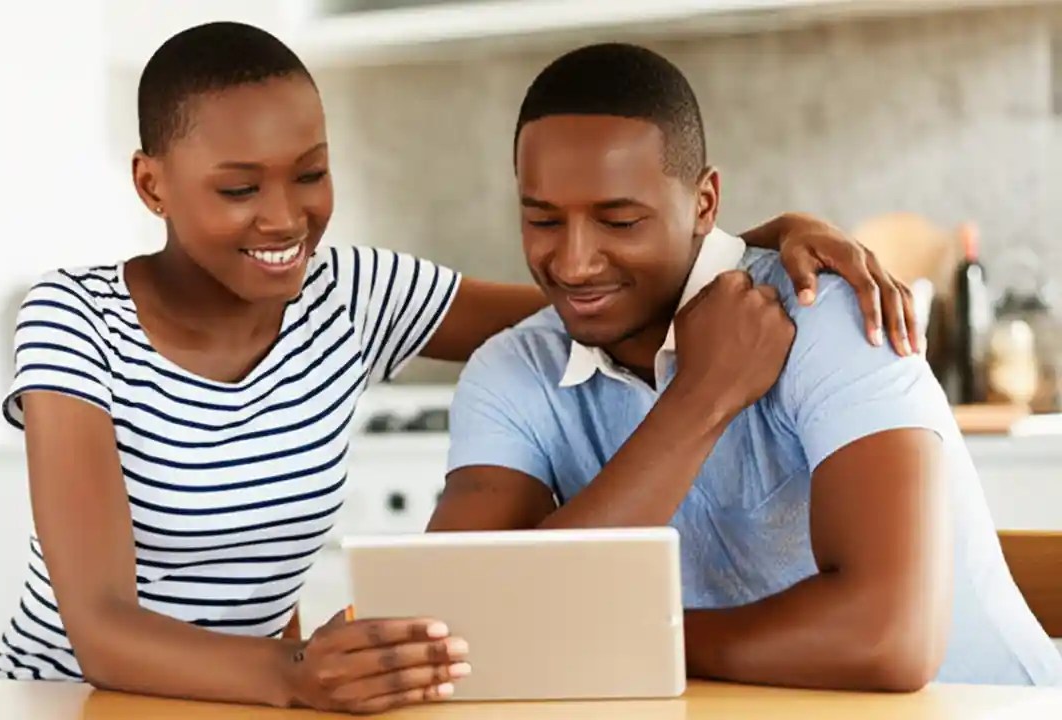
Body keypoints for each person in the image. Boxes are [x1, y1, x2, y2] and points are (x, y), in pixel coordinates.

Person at [0, 22, 921, 713]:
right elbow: (99, 625)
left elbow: (593, 294)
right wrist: (293, 673)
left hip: (257, 704)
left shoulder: (348, 292)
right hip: (71, 697)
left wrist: (765, 242)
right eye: (239, 188)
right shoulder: (72, 318)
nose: (284, 217)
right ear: (151, 183)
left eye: (309, 174)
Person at [429, 42, 1062, 691]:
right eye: (542, 220)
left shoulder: (828, 312)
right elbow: (453, 624)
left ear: (705, 202)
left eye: (619, 221)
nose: (574, 262)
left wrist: (603, 634)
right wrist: (701, 396)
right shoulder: (513, 371)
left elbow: (886, 639)